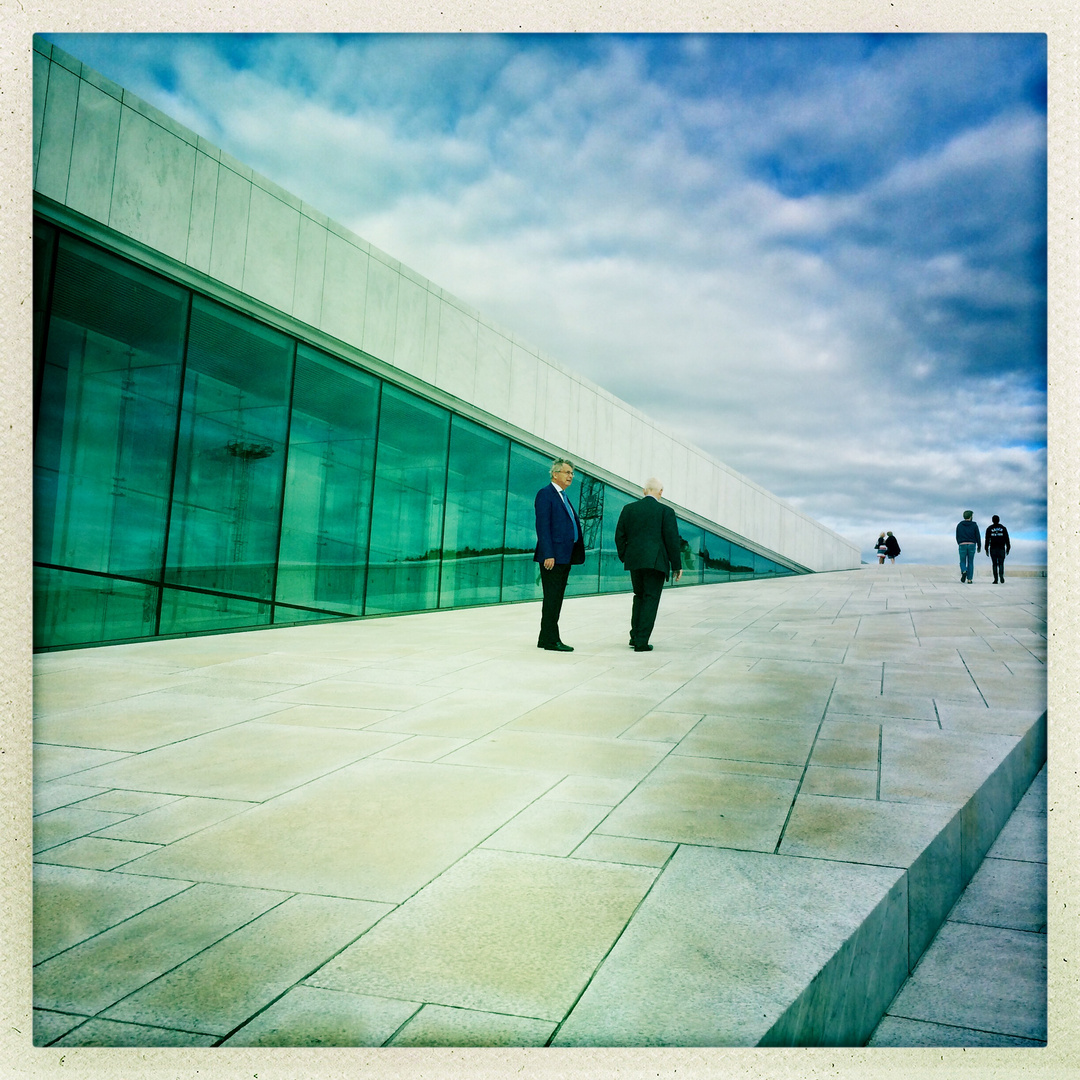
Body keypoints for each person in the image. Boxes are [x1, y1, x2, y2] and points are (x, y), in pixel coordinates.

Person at [614, 478, 683, 652]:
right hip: (656, 562)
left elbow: (619, 536)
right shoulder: (666, 511)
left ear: (644, 491)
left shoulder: (629, 509)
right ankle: (641, 641)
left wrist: (626, 556)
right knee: (651, 599)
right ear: (661, 492)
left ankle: (635, 636)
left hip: (635, 562)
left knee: (639, 596)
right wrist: (676, 565)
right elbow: (672, 540)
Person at [534, 458, 585, 651]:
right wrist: (548, 554)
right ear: (555, 474)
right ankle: (551, 640)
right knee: (552, 598)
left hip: (565, 557)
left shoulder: (563, 496)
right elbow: (542, 526)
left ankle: (544, 638)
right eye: (567, 472)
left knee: (556, 598)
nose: (570, 476)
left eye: (572, 473)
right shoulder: (546, 494)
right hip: (552, 558)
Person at [984, 514, 1011, 583]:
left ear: (992, 520)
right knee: (1001, 563)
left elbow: (987, 539)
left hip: (993, 548)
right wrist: (1008, 548)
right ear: (999, 520)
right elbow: (1007, 538)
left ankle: (995, 579)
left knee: (994, 564)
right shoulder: (1003, 528)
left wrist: (986, 548)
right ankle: (1001, 576)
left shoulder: (989, 528)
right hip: (1001, 548)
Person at [955, 510, 981, 583]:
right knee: (970, 562)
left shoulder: (960, 525)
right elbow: (977, 536)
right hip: (972, 544)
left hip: (962, 544)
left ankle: (964, 570)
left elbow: (957, 535)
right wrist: (979, 546)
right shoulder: (974, 525)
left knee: (962, 561)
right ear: (970, 516)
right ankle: (969, 579)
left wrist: (959, 543)